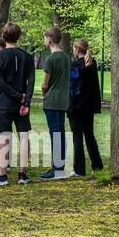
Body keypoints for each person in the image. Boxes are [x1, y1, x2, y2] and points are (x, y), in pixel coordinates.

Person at [0, 22, 35, 186]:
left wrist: (16, 96)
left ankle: (2, 175)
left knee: (3, 138)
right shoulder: (27, 57)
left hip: (5, 102)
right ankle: (22, 174)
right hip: (22, 104)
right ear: (18, 36)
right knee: (24, 137)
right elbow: (31, 82)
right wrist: (25, 100)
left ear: (4, 36)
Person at [39, 26, 72, 180]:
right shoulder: (66, 57)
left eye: (45, 37)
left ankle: (56, 168)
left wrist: (44, 92)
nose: (44, 40)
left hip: (52, 100)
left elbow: (45, 84)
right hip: (63, 100)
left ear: (50, 39)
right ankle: (60, 166)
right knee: (61, 133)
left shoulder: (51, 59)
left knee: (55, 133)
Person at [69, 39, 104, 176]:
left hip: (77, 106)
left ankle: (79, 169)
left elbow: (72, 88)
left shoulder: (76, 65)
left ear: (77, 49)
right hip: (89, 106)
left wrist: (70, 104)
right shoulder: (92, 63)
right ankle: (97, 165)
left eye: (73, 48)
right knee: (89, 134)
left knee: (77, 136)